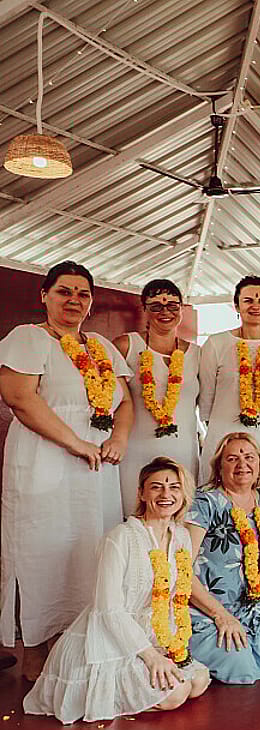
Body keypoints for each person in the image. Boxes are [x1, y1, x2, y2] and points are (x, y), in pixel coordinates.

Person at [0, 261, 134, 681]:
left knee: (88, 550)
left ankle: (76, 648)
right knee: (42, 552)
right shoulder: (28, 338)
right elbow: (20, 398)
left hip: (96, 470)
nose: (74, 300)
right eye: (64, 292)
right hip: (44, 461)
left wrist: (119, 440)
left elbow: (125, 402)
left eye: (82, 293)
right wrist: (76, 443)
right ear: (44, 295)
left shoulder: (100, 346)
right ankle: (36, 652)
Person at [24, 457, 211, 722]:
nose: (166, 494)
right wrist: (149, 656)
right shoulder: (121, 537)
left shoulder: (180, 536)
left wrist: (166, 648)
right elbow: (108, 609)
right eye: (156, 487)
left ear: (183, 494)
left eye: (174, 487)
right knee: (176, 694)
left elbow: (172, 601)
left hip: (156, 635)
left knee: (200, 681)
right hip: (110, 636)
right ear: (141, 493)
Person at [185, 432, 260, 683]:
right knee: (238, 663)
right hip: (208, 607)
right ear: (219, 467)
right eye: (232, 458)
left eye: (249, 457)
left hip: (256, 606)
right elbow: (182, 568)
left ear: (259, 465)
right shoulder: (205, 501)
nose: (242, 464)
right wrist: (220, 615)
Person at [115, 279, 201, 517]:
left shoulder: (196, 353)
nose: (165, 312)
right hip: (135, 451)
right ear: (144, 309)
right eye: (156, 306)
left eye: (173, 306)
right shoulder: (126, 345)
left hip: (182, 451)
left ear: (182, 310)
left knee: (181, 518)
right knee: (134, 515)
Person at [198, 275, 260, 496]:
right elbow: (206, 399)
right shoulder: (216, 344)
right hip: (223, 433)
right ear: (237, 305)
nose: (255, 306)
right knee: (219, 497)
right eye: (248, 300)